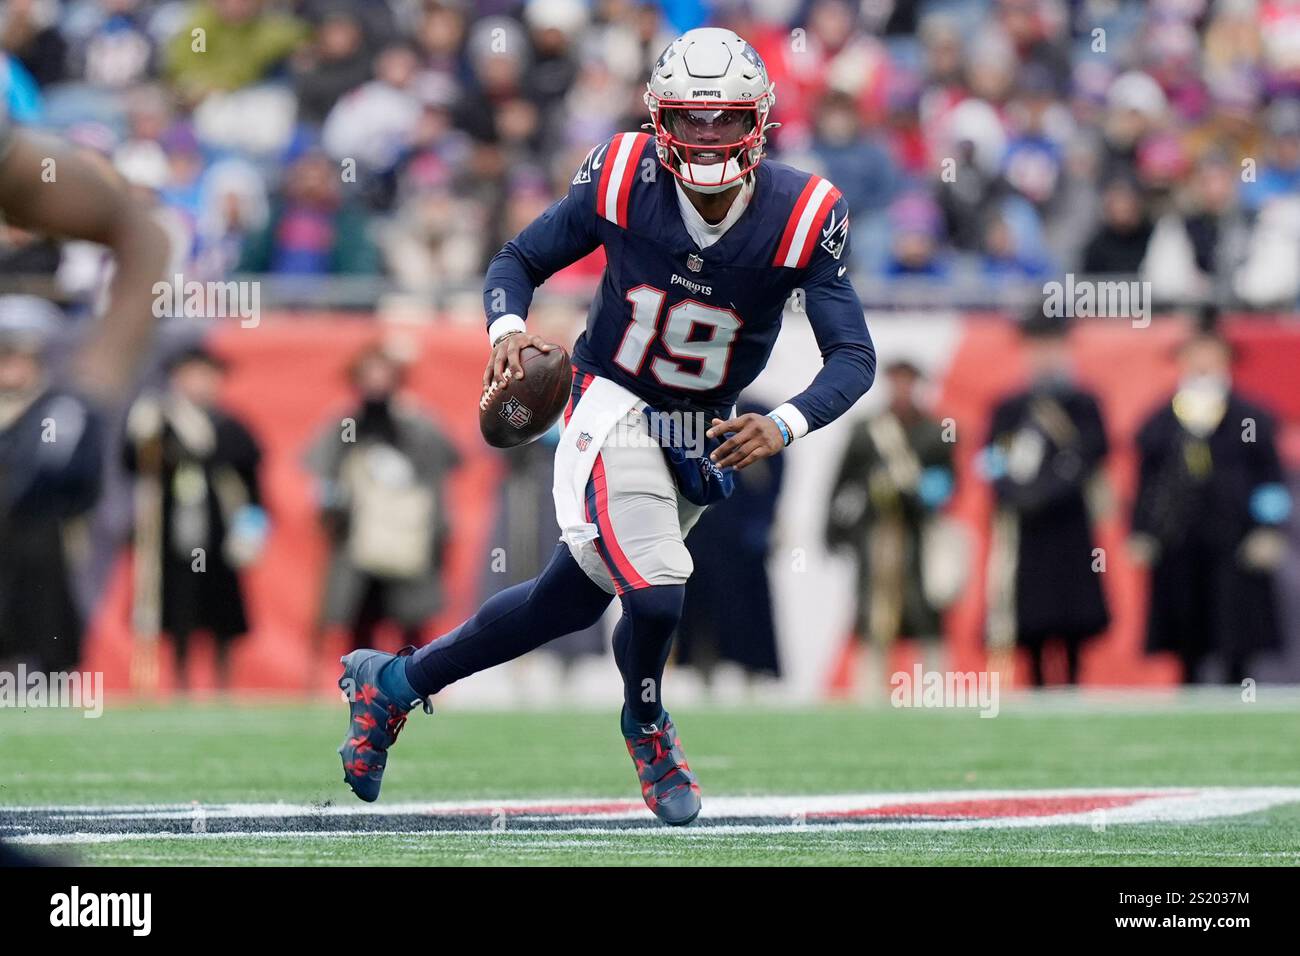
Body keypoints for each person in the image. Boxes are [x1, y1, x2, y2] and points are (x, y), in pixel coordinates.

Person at [335, 28, 875, 826]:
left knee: (567, 604)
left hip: (700, 426)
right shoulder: (623, 175)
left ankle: (395, 684)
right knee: (657, 592)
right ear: (660, 120)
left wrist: (784, 424)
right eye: (690, 119)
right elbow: (516, 259)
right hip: (611, 401)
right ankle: (648, 724)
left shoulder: (803, 213)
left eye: (725, 118)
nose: (707, 136)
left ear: (758, 121)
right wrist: (506, 331)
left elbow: (852, 356)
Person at [1131, 329, 1289, 683]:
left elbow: (1271, 481)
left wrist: (1268, 530)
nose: (1202, 364)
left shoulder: (1251, 418)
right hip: (1180, 540)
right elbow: (1146, 482)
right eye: (1194, 354)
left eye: (1210, 354)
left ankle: (1239, 691)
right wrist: (1142, 530)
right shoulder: (1161, 422)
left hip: (1237, 539)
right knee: (1185, 630)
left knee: (1238, 629)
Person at [305, 343, 461, 673]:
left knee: (411, 618)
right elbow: (323, 474)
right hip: (356, 537)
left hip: (409, 536)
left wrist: (438, 528)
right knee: (359, 617)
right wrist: (330, 506)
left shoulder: (416, 422)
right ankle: (361, 684)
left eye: (383, 373)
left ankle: (413, 683)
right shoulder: (346, 423)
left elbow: (444, 468)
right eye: (368, 373)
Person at [123, 344, 266, 690]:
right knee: (177, 605)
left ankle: (222, 681)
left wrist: (252, 529)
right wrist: (142, 434)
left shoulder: (231, 426)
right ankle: (180, 680)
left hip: (220, 529)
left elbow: (252, 484)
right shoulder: (160, 420)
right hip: (174, 530)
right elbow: (134, 464)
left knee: (223, 607)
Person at [982, 313, 1111, 686]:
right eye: (1037, 346)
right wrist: (1016, 494)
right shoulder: (1010, 406)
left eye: (1051, 345)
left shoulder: (1083, 403)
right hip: (1025, 524)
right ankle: (1035, 679)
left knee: (1073, 606)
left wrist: (1047, 492)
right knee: (1029, 607)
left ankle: (1072, 678)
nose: (1044, 355)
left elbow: (1092, 454)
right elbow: (991, 459)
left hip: (1069, 519)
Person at [826, 360, 958, 697]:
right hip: (875, 532)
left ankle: (934, 687)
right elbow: (841, 484)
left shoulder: (934, 430)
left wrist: (922, 495)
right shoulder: (866, 429)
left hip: (918, 532)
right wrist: (833, 530)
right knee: (873, 610)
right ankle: (870, 689)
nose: (902, 389)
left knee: (925, 609)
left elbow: (948, 483)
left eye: (908, 381)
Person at [0, 297, 102, 674]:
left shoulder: (60, 410)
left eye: (19, 356)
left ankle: (50, 688)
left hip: (43, 535)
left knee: (48, 621)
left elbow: (81, 474)